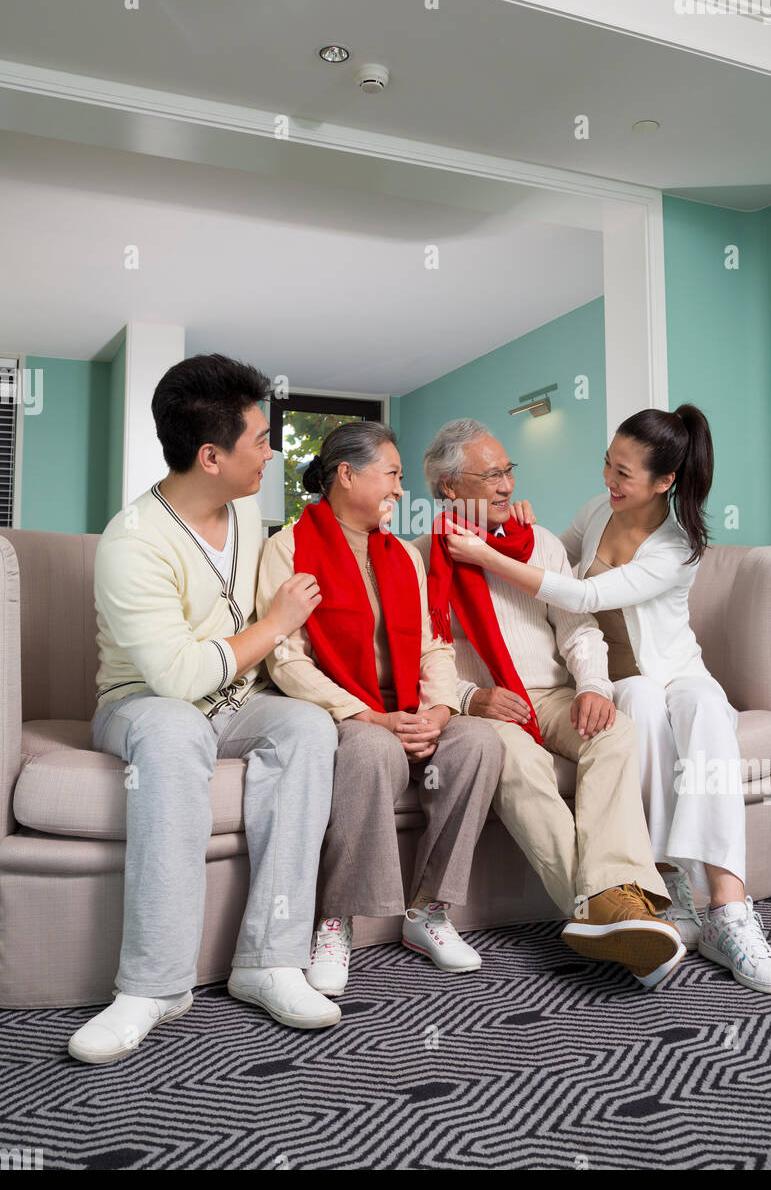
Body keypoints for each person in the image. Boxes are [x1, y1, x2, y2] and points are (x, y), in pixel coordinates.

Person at [445, 404, 771, 995]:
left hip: (673, 668)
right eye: (609, 462)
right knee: (637, 711)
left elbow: (578, 596)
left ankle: (729, 909)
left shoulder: (677, 546)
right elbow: (553, 553)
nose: (610, 478)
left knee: (703, 710)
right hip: (623, 677)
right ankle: (656, 889)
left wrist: (493, 555)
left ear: (665, 481)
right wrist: (516, 526)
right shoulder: (598, 510)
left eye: (625, 473)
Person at [68, 354, 343, 1065]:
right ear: (211, 455)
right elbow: (178, 675)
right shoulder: (132, 543)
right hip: (143, 705)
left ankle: (268, 960)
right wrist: (275, 625)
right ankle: (153, 986)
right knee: (172, 726)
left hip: (237, 703)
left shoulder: (246, 511)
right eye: (259, 439)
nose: (272, 452)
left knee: (309, 726)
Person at [413, 419, 685, 992]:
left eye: (509, 471)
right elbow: (425, 652)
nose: (506, 485)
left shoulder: (539, 543)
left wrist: (593, 686)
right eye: (489, 476)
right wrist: (472, 696)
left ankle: (603, 903)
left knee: (615, 733)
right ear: (448, 488)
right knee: (515, 760)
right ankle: (616, 909)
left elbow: (578, 629)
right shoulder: (419, 559)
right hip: (483, 707)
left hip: (556, 692)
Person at [255, 421, 504, 997]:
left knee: (480, 742)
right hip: (353, 715)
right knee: (367, 751)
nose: (399, 489)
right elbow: (286, 661)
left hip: (410, 712)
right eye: (390, 475)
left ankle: (428, 911)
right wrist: (371, 717)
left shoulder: (403, 557)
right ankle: (335, 921)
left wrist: (439, 711)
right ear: (347, 475)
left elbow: (432, 645)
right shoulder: (289, 547)